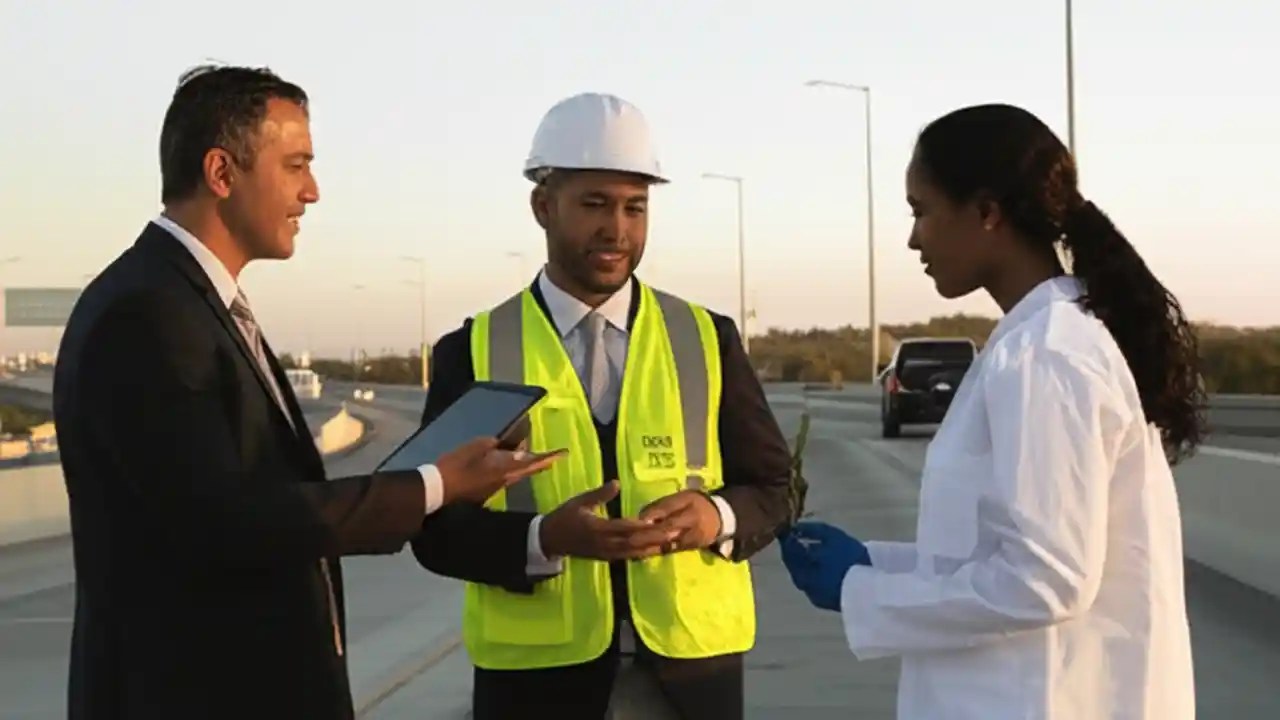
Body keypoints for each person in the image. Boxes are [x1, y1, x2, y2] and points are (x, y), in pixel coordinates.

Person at [52, 64, 561, 720]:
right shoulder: (148, 315)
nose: (313, 191)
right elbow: (230, 522)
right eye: (295, 165)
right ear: (221, 172)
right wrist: (433, 485)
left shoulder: (193, 301)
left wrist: (436, 482)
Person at [780, 103, 1205, 719]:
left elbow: (1046, 578)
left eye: (920, 210)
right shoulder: (1036, 337)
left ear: (986, 213)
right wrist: (879, 562)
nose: (912, 237)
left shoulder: (1049, 352)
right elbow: (1006, 553)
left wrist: (863, 591)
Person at [410, 92, 794, 719]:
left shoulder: (707, 338)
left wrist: (715, 516)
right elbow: (431, 528)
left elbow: (776, 487)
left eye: (634, 208)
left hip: (691, 674)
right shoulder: (474, 350)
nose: (617, 229)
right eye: (594, 205)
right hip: (536, 684)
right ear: (542, 205)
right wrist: (543, 538)